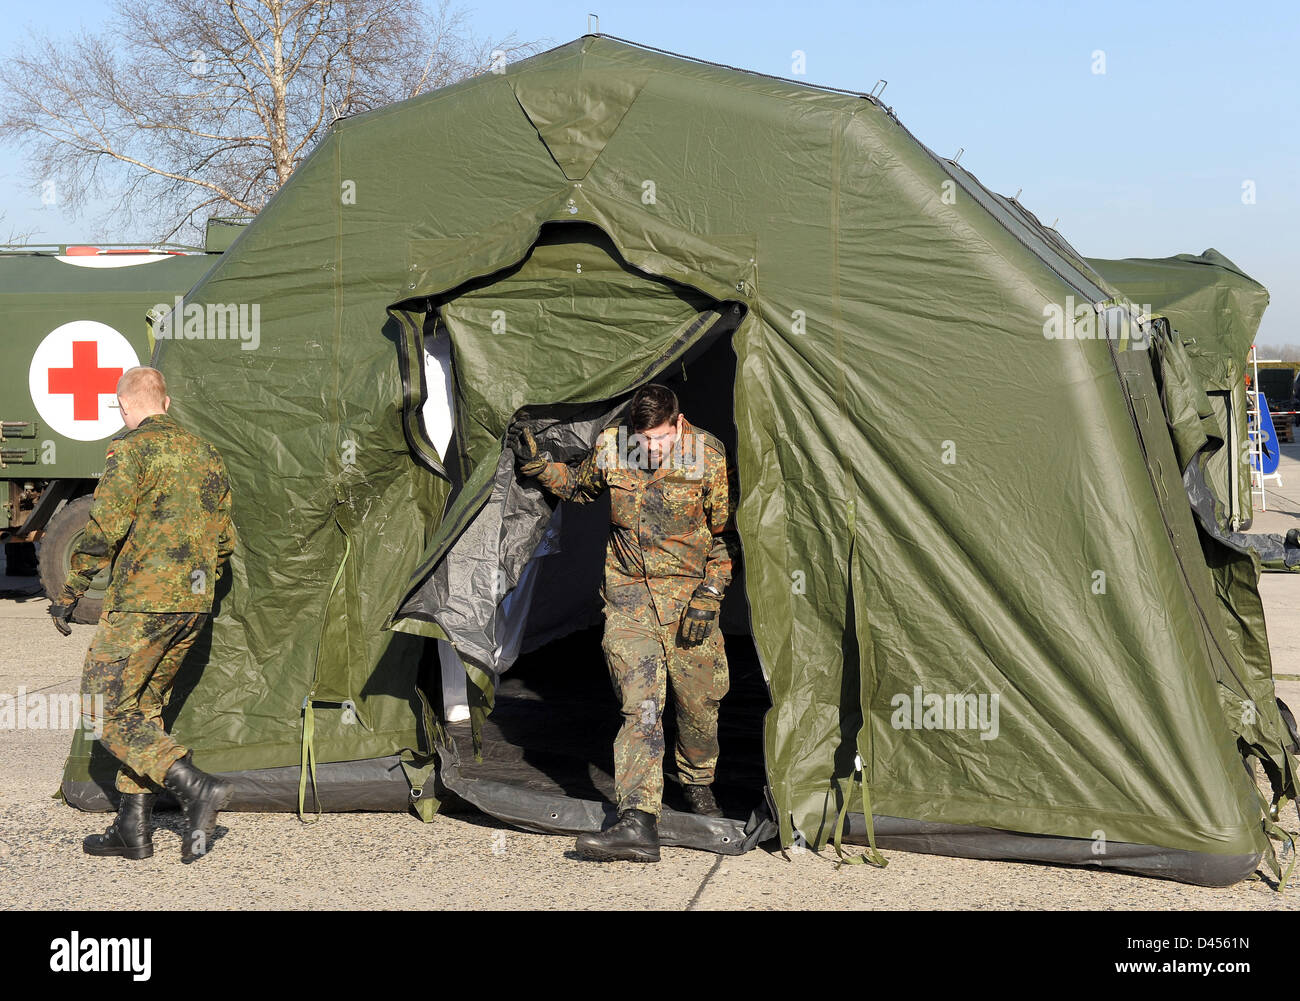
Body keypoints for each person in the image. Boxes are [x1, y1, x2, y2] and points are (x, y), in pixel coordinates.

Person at [508, 383, 740, 862]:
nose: (650, 448)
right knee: (642, 707)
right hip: (629, 599)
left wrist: (711, 595)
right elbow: (578, 486)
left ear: (679, 423)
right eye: (643, 438)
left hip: (688, 600)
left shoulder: (708, 457)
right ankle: (638, 820)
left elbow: (729, 536)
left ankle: (698, 785)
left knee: (699, 706)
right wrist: (538, 467)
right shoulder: (615, 447)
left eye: (659, 438)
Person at [49, 366, 237, 863]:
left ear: (124, 406)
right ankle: (133, 829)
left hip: (141, 603)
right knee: (143, 710)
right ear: (167, 403)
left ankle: (194, 785)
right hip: (192, 606)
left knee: (101, 709)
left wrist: (71, 590)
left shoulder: (129, 450)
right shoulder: (207, 453)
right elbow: (224, 542)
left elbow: (104, 528)